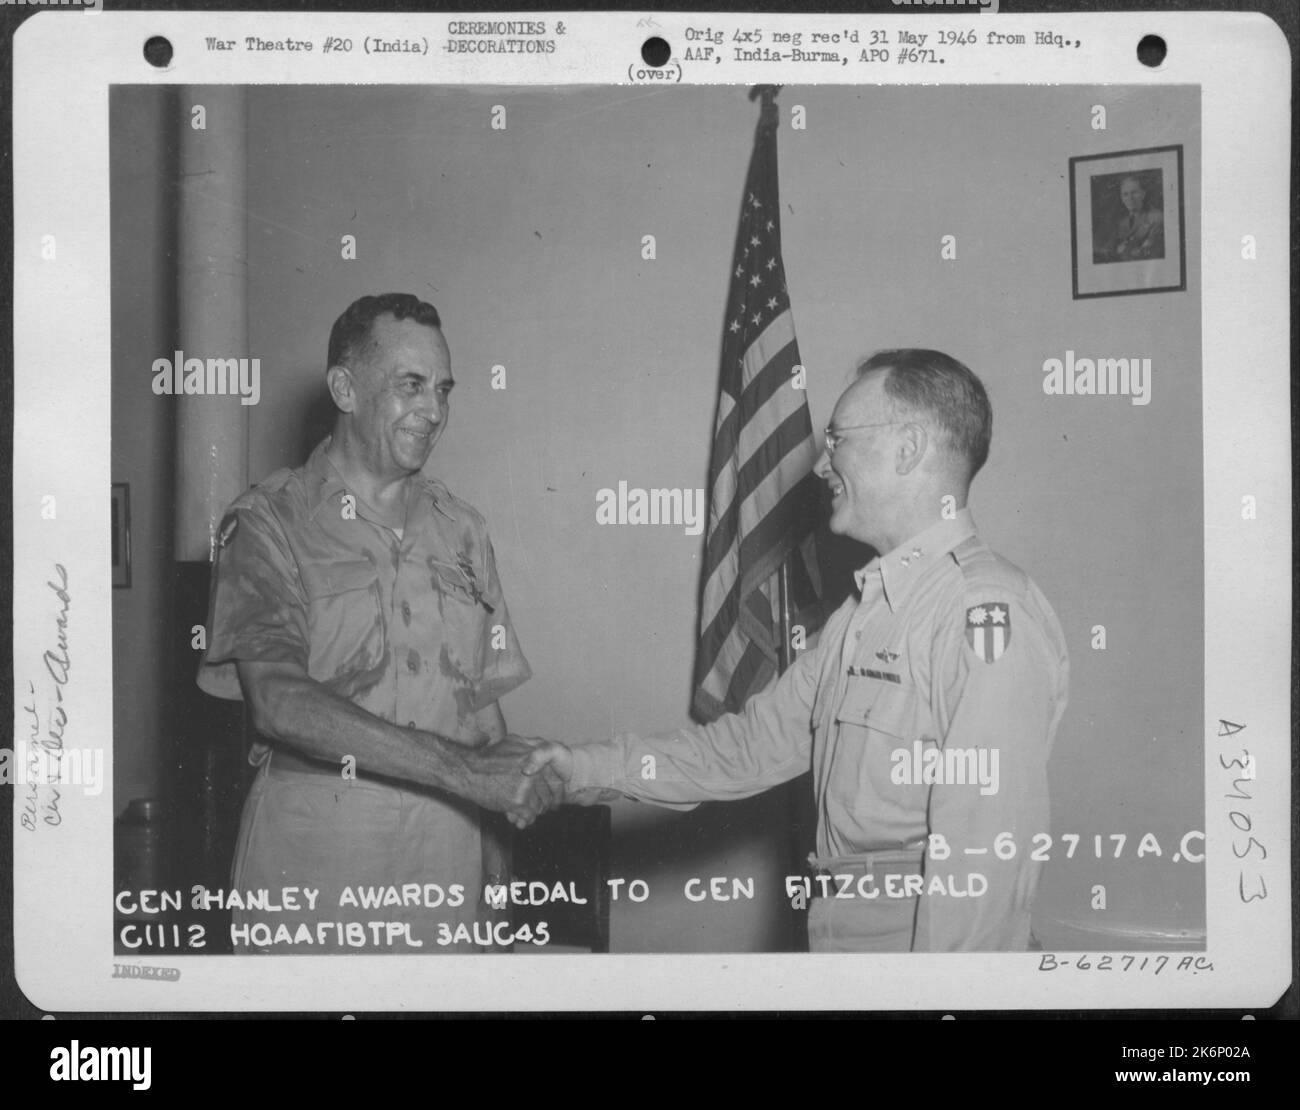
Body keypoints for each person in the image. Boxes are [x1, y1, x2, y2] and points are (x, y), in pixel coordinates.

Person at [522, 350, 1069, 952]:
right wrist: (582, 766)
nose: (819, 464)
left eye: (837, 439)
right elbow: (746, 749)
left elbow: (983, 867)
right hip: (844, 935)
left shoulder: (983, 610)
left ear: (908, 449)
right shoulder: (865, 616)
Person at [197, 293, 556, 953]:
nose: (435, 411)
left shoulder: (464, 529)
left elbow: (481, 717)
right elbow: (277, 701)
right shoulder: (266, 521)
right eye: (411, 386)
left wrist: (500, 876)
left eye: (443, 390)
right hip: (317, 857)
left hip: (449, 856)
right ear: (345, 388)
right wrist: (461, 773)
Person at [1099, 175, 1164, 262]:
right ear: (1122, 198)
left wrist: (1123, 250)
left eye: (1134, 193)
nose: (1130, 198)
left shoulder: (1156, 217)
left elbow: (1148, 252)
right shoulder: (1122, 223)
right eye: (1125, 194)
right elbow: (1107, 250)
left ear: (1143, 194)